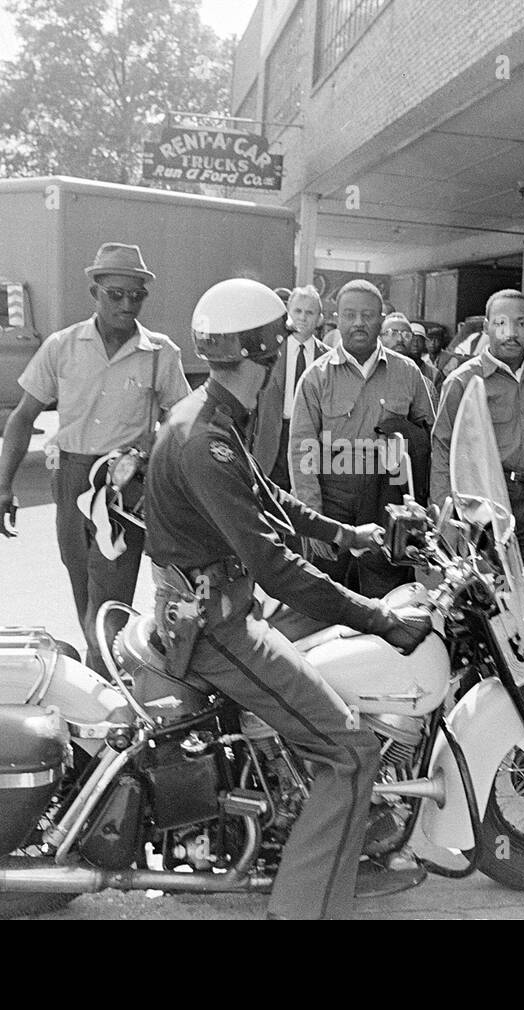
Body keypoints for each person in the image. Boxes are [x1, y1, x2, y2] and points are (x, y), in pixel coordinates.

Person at [143, 278, 431, 919]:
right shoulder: (206, 440)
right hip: (216, 628)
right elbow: (274, 568)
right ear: (268, 348)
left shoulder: (211, 413)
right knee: (351, 753)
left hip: (218, 606)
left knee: (328, 666)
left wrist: (346, 535)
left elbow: (270, 498)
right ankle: (304, 910)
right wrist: (377, 617)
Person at [0, 242, 191, 675]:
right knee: (83, 591)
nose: (126, 303)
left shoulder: (161, 354)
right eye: (114, 294)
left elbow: (183, 426)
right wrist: (3, 486)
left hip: (123, 490)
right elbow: (24, 416)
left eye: (135, 295)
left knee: (109, 604)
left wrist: (151, 455)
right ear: (94, 292)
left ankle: (105, 693)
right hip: (69, 479)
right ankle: (101, 679)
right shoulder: (63, 347)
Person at [291, 280, 435, 596]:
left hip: (389, 502)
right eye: (350, 315)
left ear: (381, 319)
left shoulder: (408, 373)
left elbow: (429, 442)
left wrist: (423, 507)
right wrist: (314, 520)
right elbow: (302, 452)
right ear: (336, 319)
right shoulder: (316, 377)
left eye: (368, 315)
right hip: (333, 502)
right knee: (324, 599)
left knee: (390, 600)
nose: (359, 323)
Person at [431, 289, 524, 572]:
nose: (511, 332)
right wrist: (445, 517)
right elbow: (443, 449)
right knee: (486, 594)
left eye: (521, 324)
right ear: (486, 328)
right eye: (501, 323)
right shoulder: (462, 381)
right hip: (480, 503)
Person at [252, 285, 326, 491]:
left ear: (320, 318)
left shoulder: (329, 358)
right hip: (273, 439)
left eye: (310, 312)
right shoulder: (268, 353)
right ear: (288, 314)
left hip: (311, 441)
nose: (303, 317)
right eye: (297, 311)